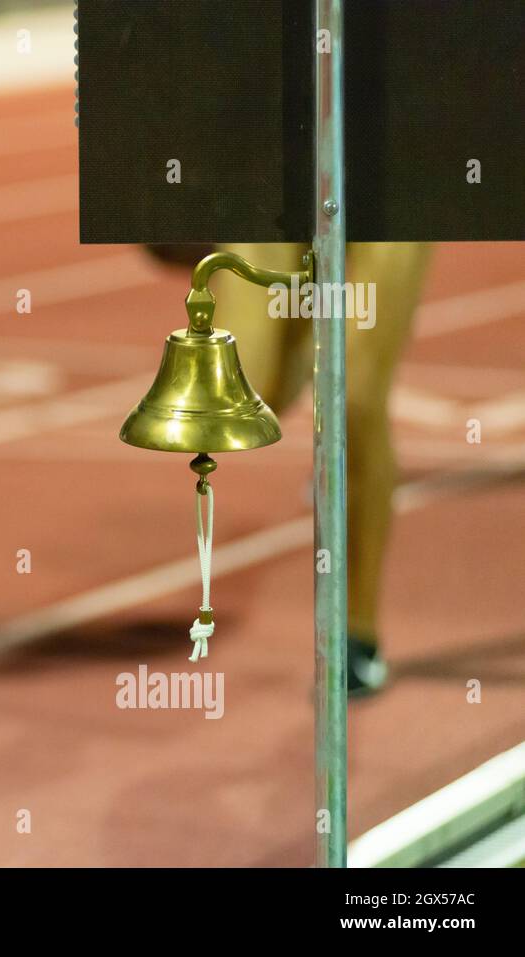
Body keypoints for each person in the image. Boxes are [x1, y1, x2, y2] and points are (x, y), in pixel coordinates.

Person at [210, 242, 432, 696]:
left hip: (388, 186)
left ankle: (356, 629)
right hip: (283, 175)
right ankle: (310, 325)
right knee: (240, 382)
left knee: (353, 399)